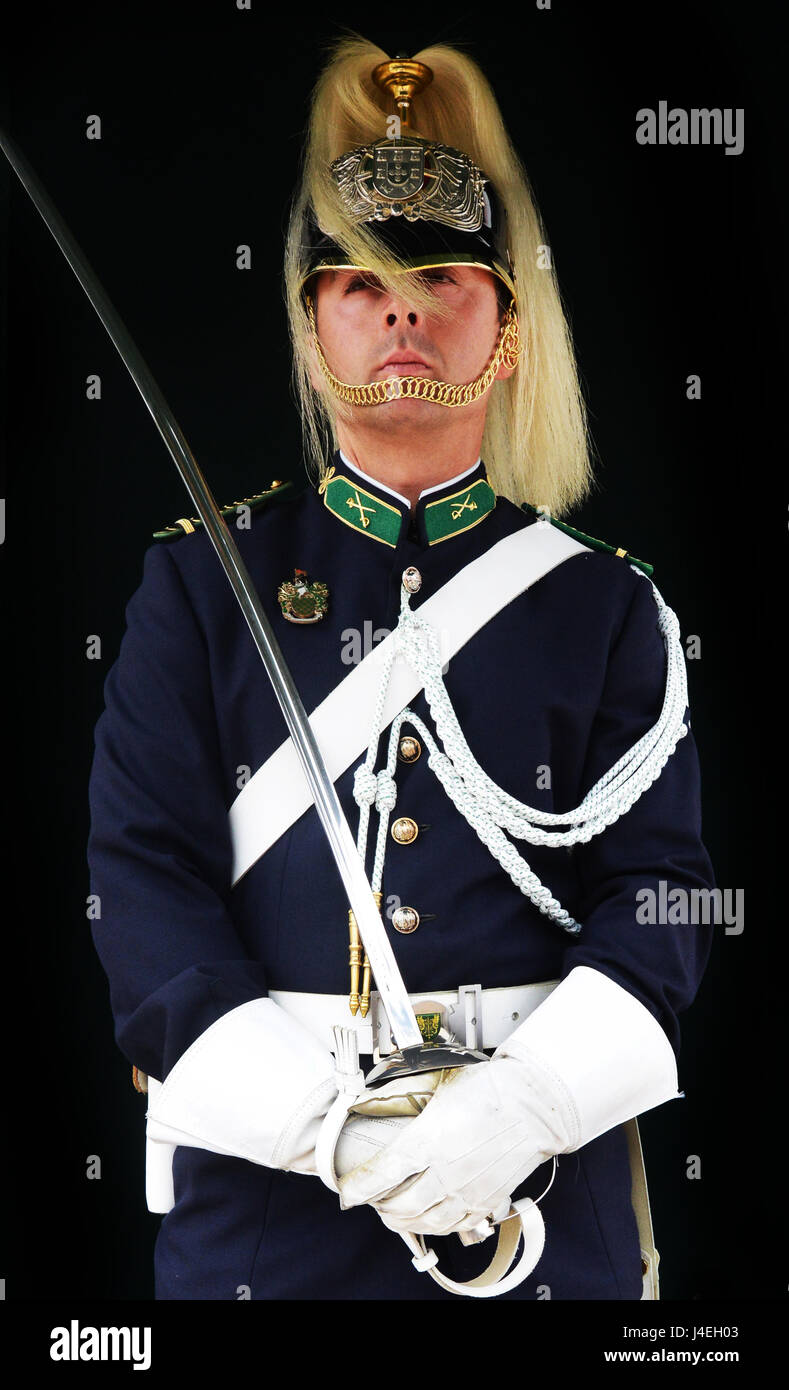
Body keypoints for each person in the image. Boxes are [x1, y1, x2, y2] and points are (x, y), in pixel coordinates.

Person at [87, 36, 715, 1301]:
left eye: (442, 276)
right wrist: (337, 1130)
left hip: (542, 1198)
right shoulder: (203, 586)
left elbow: (664, 898)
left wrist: (530, 1105)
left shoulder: (603, 603)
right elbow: (143, 895)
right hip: (268, 1211)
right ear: (314, 320)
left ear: (509, 322)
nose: (404, 310)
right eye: (362, 283)